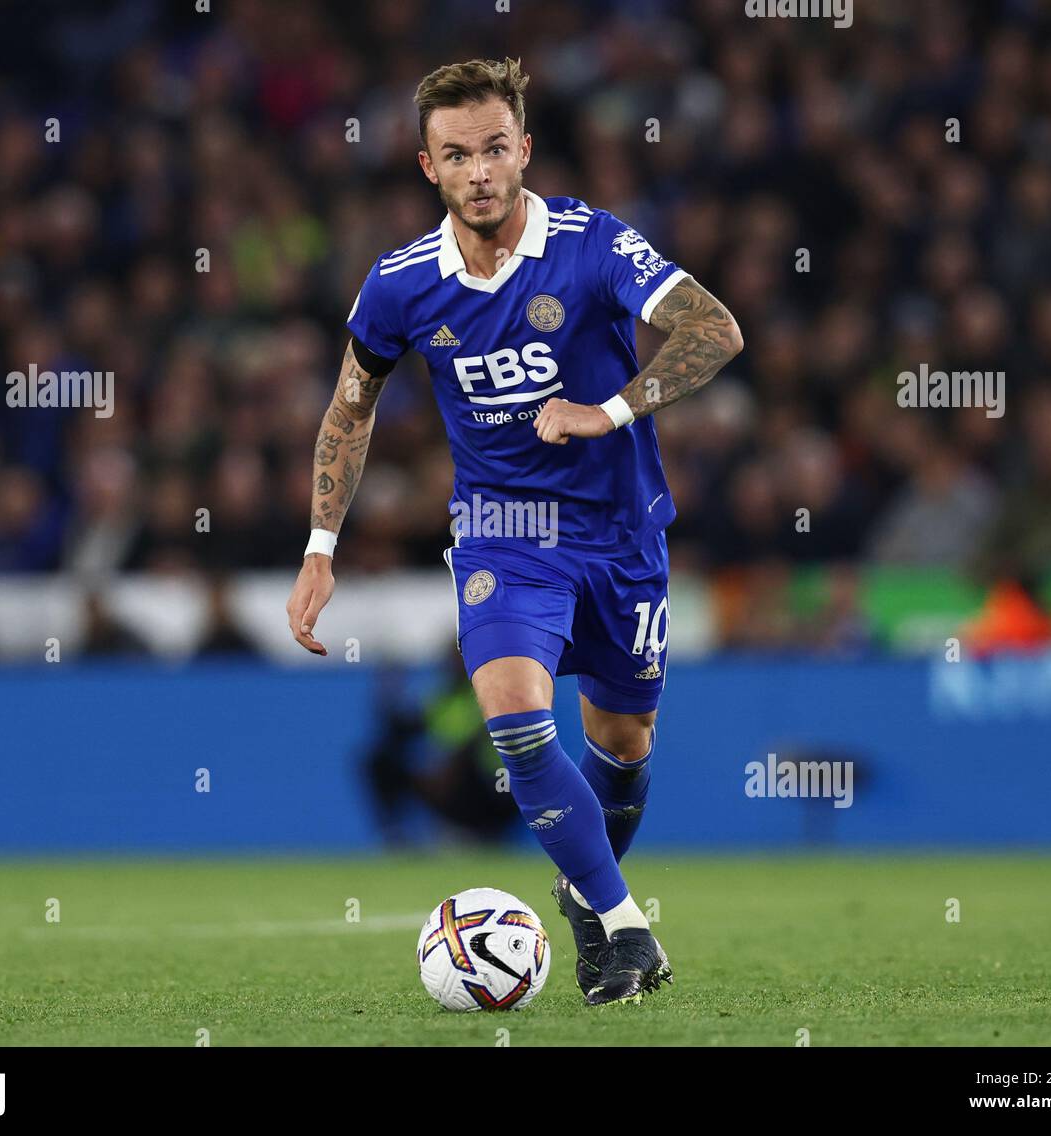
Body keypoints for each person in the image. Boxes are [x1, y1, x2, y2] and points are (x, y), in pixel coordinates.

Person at [287, 58, 743, 1005]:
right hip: (502, 530)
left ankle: (586, 899)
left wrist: (608, 410)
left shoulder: (593, 245)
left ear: (524, 149)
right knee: (517, 721)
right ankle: (626, 929)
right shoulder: (401, 286)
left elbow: (714, 328)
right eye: (459, 155)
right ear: (429, 168)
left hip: (621, 531)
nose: (482, 170)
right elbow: (348, 409)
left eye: (497, 148)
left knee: (622, 741)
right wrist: (320, 548)